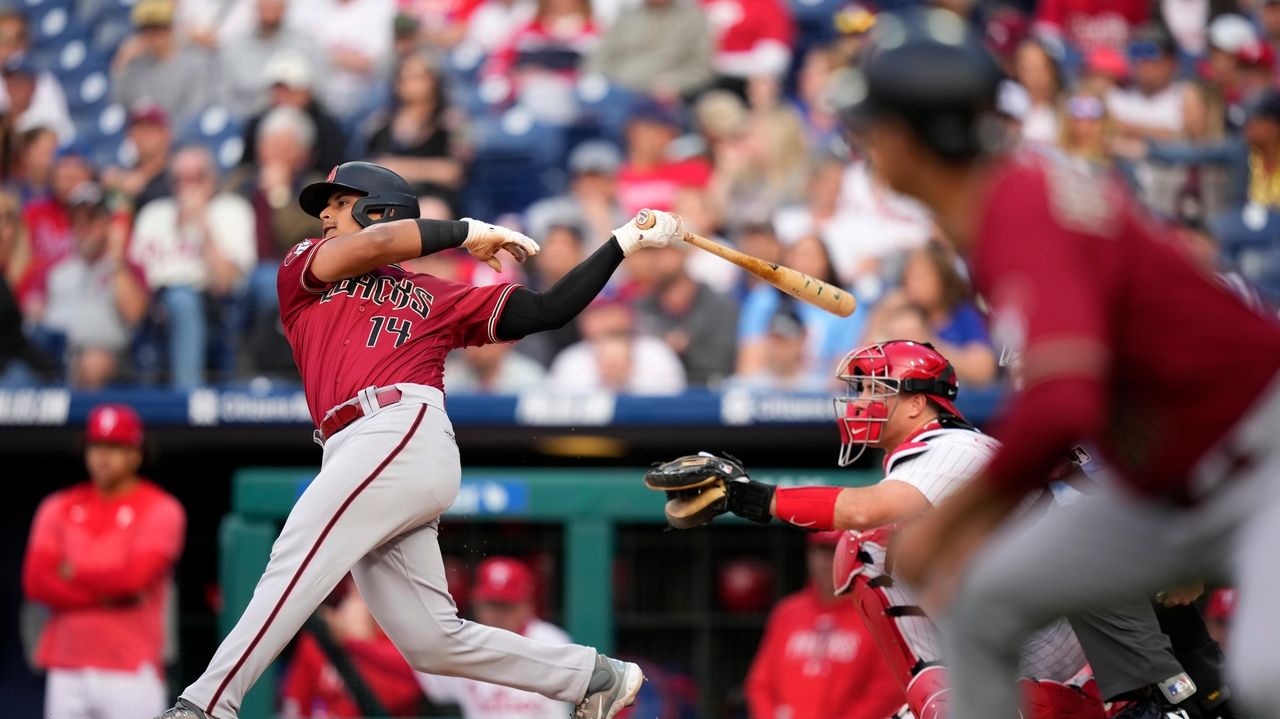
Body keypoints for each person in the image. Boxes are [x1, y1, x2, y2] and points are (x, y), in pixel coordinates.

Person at [827, 10, 1280, 718]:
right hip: (1167, 485)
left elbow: (1064, 401)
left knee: (1270, 671)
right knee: (985, 603)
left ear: (911, 134)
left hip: (1263, 457)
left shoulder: (1016, 203)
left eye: (873, 126)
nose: (866, 145)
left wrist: (954, 522)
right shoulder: (1004, 196)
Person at [152, 161, 684, 719]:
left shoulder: (435, 295)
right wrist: (466, 230)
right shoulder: (303, 267)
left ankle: (208, 703)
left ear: (375, 207)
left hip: (397, 426)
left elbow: (549, 308)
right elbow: (376, 244)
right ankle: (592, 677)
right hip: (360, 446)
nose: (325, 214)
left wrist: (623, 243)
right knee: (432, 641)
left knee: (297, 552)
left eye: (337, 202)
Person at [647, 340, 1106, 718]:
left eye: (874, 388)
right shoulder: (939, 451)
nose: (858, 401)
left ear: (916, 403)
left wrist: (754, 498)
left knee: (866, 545)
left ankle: (944, 700)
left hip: (1066, 634)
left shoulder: (954, 445)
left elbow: (870, 510)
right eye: (859, 388)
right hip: (1027, 630)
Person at [23, 404, 186, 719]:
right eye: (96, 445)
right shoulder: (57, 506)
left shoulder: (162, 508)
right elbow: (37, 583)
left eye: (115, 447)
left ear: (136, 454)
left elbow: (133, 581)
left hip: (130, 666)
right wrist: (108, 592)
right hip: (66, 663)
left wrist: (71, 571)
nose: (102, 456)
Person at [129, 145, 257, 388]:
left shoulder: (233, 210)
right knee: (179, 299)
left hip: (217, 307)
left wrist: (202, 225)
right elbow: (137, 281)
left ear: (212, 179)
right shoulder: (154, 214)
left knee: (184, 300)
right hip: (156, 307)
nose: (187, 186)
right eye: (179, 179)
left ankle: (188, 396)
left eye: (196, 178)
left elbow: (225, 283)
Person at [744, 531, 906, 719]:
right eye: (822, 551)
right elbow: (760, 683)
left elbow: (887, 689)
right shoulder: (787, 613)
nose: (827, 562)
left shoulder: (876, 613)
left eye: (837, 551)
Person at [416, 557, 577, 718]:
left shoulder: (553, 642)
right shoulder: (462, 642)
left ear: (527, 604)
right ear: (476, 603)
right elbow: (437, 689)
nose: (497, 614)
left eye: (505, 605)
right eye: (490, 604)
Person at [37, 182, 149, 388]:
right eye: (76, 219)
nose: (83, 226)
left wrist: (116, 259)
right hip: (53, 356)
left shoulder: (125, 267)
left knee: (93, 363)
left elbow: (135, 315)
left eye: (91, 218)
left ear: (108, 222)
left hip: (110, 359)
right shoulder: (54, 270)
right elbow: (34, 312)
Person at [111, 0, 226, 126]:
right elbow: (118, 105)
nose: (153, 36)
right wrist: (121, 64)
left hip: (179, 137)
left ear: (171, 28)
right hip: (143, 136)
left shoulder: (194, 64)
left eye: (159, 28)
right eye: (146, 29)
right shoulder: (136, 68)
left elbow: (194, 114)